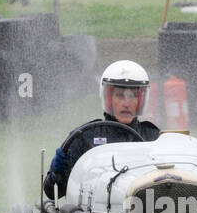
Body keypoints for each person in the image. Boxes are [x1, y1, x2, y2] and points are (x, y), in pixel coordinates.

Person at [43, 60, 162, 200]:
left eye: (133, 96)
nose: (126, 103)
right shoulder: (84, 137)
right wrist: (57, 173)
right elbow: (52, 193)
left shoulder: (154, 138)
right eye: (120, 95)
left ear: (140, 100)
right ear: (108, 98)